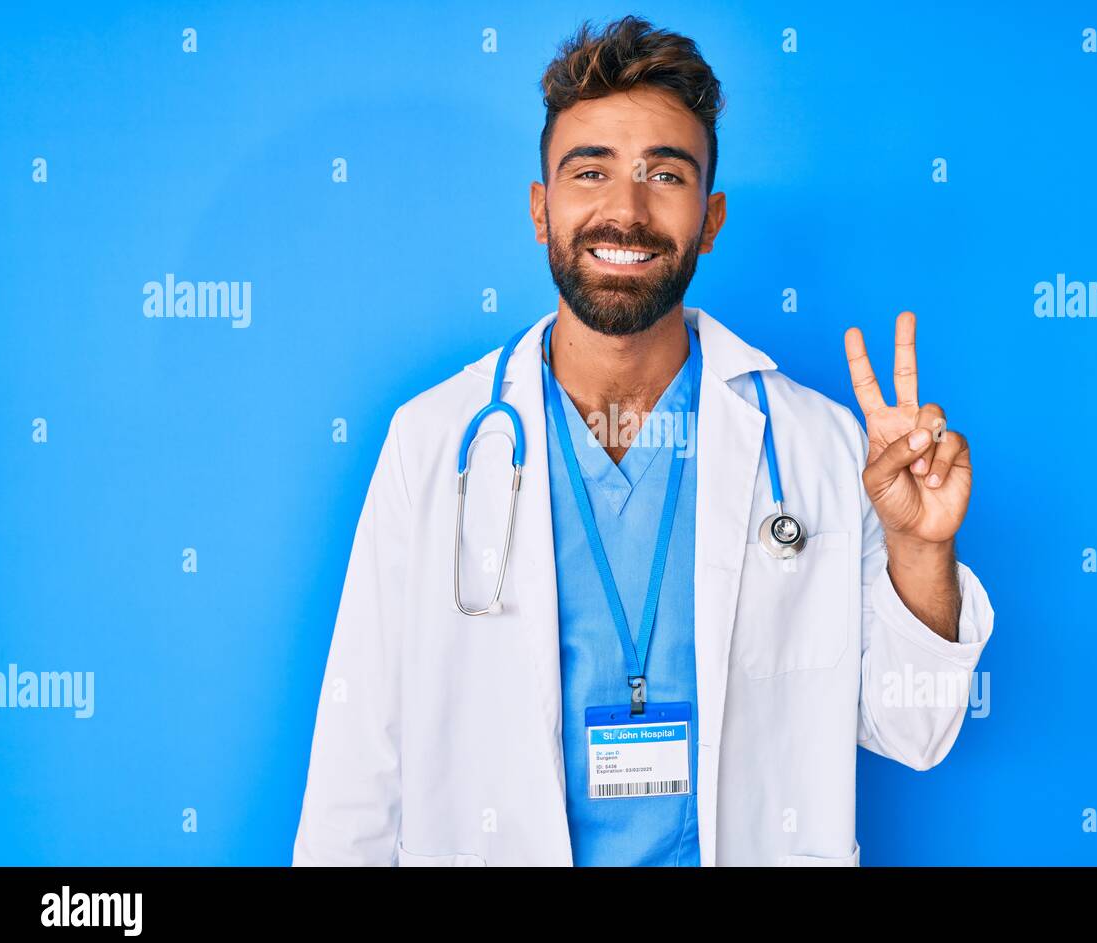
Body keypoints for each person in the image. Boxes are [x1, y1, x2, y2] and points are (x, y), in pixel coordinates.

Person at [292, 15, 994, 867]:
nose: (625, 211)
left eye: (666, 174)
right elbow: (357, 767)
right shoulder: (436, 441)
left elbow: (914, 727)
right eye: (590, 172)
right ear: (541, 210)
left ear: (710, 218)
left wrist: (923, 550)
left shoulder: (812, 443)